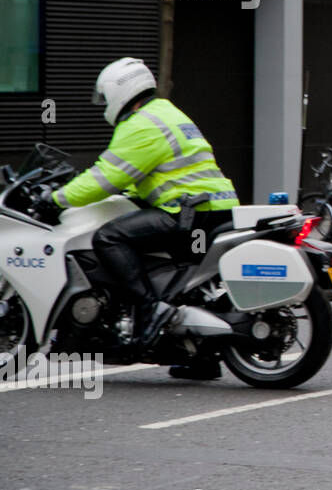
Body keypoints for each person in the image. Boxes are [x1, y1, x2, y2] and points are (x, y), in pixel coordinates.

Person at [34, 58, 239, 378]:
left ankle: (149, 310)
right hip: (213, 210)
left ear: (119, 90)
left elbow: (107, 177)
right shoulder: (167, 113)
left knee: (109, 237)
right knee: (175, 277)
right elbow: (141, 173)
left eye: (104, 96)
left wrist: (57, 199)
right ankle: (197, 355)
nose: (102, 105)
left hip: (187, 215)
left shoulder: (140, 123)